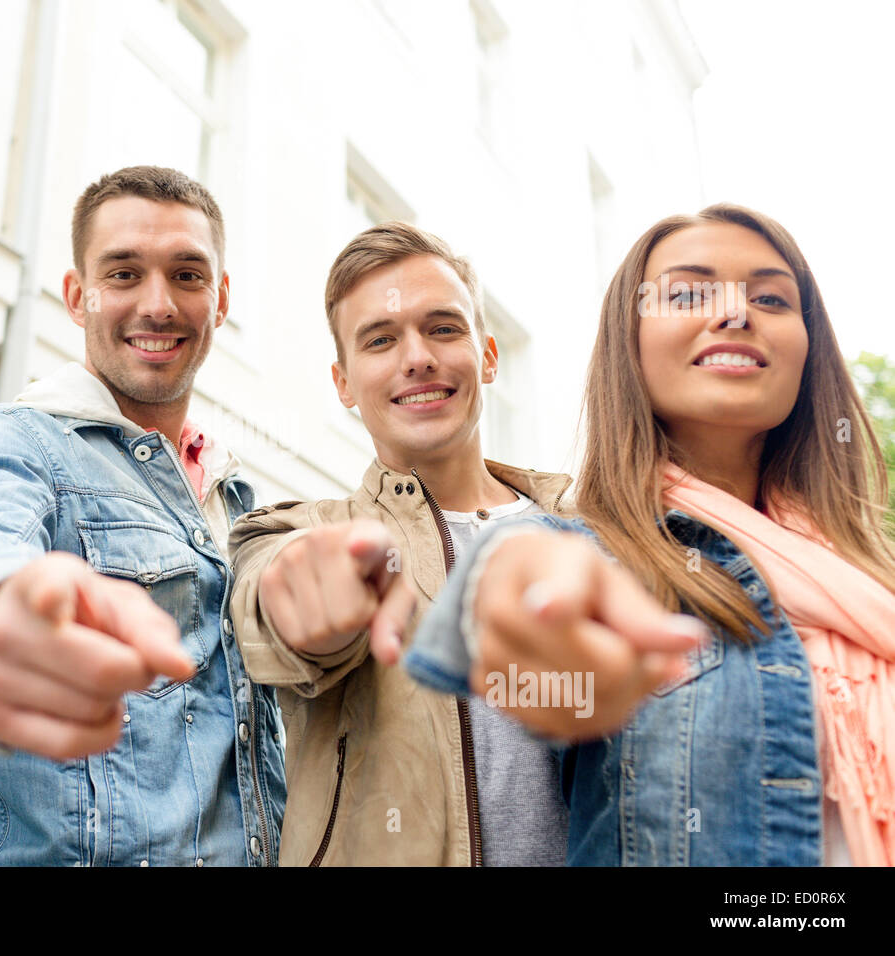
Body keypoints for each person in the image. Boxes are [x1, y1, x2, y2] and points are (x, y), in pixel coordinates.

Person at [407, 203, 895, 866]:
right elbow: (509, 593)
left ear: (809, 349)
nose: (734, 312)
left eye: (772, 297)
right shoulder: (575, 553)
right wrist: (523, 607)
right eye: (688, 292)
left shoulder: (877, 575)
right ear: (628, 345)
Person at [0, 165, 285, 866]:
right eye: (125, 273)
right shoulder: (10, 441)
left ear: (220, 299)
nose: (158, 304)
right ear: (79, 296)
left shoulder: (234, 498)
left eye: (187, 275)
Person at [228, 221, 575, 865]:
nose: (416, 357)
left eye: (443, 328)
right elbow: (269, 604)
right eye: (381, 340)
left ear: (488, 355)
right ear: (343, 383)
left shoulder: (591, 527)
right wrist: (307, 599)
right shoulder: (298, 533)